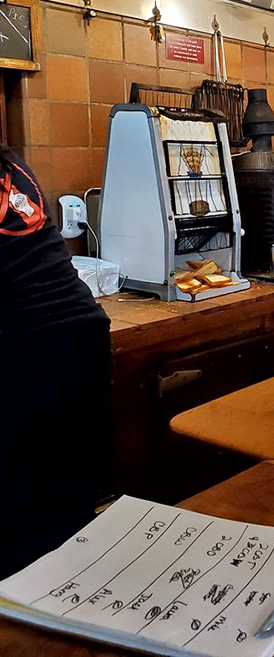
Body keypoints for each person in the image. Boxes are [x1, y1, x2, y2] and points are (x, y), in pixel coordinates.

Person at [0, 145, 111, 576]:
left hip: (28, 345)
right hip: (80, 332)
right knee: (68, 505)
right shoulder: (10, 163)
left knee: (22, 523)